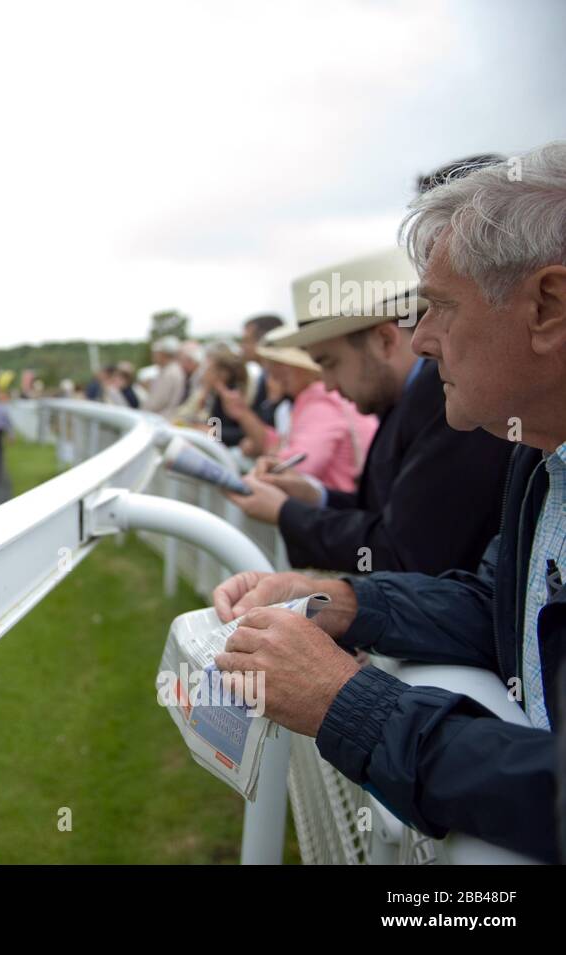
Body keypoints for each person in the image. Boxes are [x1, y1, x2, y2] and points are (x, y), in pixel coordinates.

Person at [211, 140, 566, 862]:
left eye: (439, 306)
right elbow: (496, 601)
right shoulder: (539, 458)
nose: (423, 337)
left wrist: (350, 702)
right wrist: (343, 600)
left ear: (547, 306)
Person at [227, 247, 512, 575]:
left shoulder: (453, 406)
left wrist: (286, 512)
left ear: (385, 341)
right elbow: (392, 515)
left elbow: (405, 554)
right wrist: (314, 496)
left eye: (329, 363)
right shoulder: (416, 397)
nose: (329, 385)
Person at [220, 343, 377, 493]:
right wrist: (242, 413)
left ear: (306, 369)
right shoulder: (310, 400)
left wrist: (273, 454)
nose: (277, 373)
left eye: (285, 366)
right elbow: (271, 443)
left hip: (334, 509)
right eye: (274, 367)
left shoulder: (321, 402)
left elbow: (302, 467)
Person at [239, 314, 285, 425]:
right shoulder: (264, 376)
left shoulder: (283, 380)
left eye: (246, 340)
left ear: (264, 341)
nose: (242, 346)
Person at [142, 337, 186, 414]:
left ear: (163, 354)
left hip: (161, 418)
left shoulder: (170, 373)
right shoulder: (169, 370)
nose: (153, 356)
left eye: (155, 354)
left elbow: (157, 402)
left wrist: (142, 411)